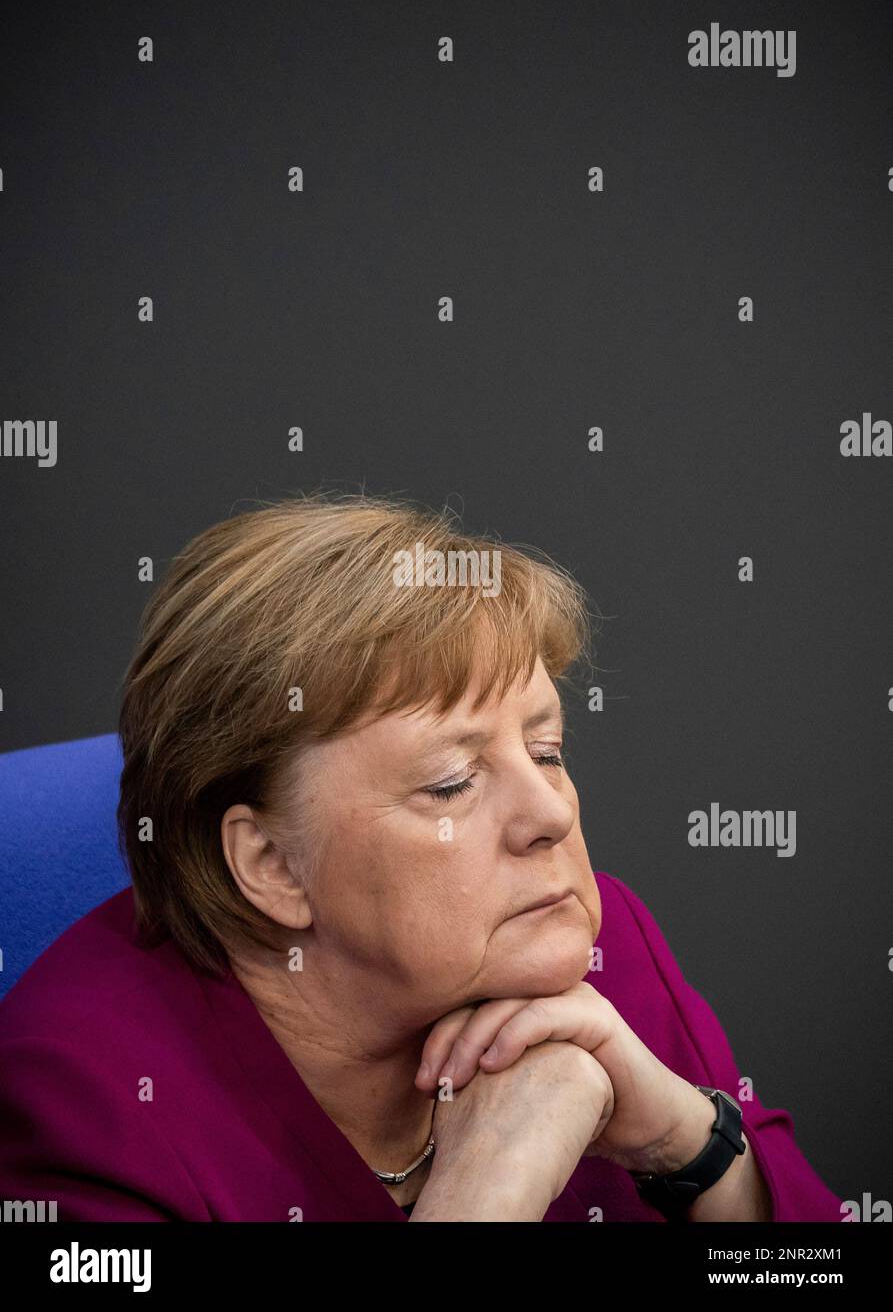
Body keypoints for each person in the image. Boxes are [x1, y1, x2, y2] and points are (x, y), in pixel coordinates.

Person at [0, 493, 843, 1221]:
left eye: (546, 751)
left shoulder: (591, 942)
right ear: (272, 865)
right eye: (449, 783)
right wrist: (483, 1195)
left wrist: (686, 1145)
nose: (550, 814)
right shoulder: (81, 1112)